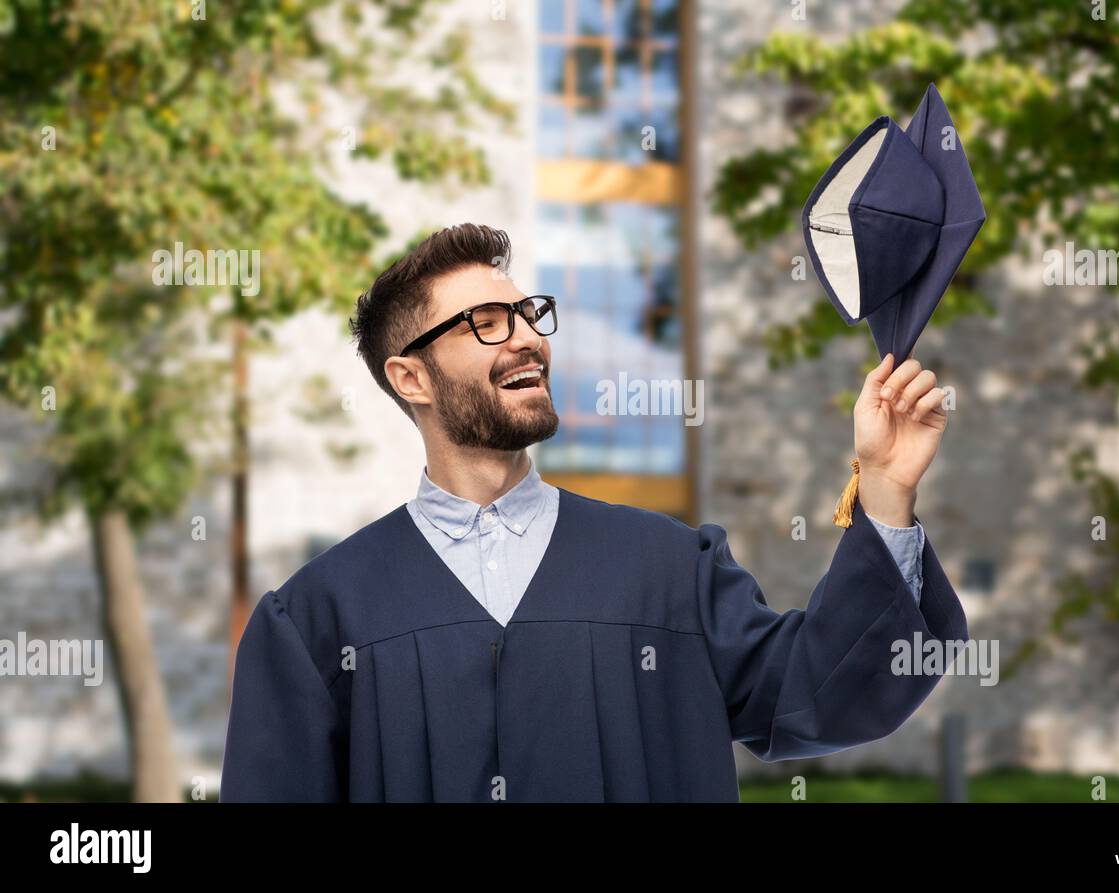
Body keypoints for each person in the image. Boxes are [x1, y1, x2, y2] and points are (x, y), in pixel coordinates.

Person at [219, 223, 968, 802]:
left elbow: (820, 695)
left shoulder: (671, 570)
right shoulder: (318, 618)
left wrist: (885, 489)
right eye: (485, 321)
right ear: (409, 375)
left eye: (528, 313)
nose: (525, 337)